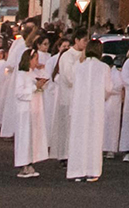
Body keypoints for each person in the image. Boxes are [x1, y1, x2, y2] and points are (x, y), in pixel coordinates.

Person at [65, 35, 119, 182]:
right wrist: (104, 96)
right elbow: (108, 88)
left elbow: (71, 81)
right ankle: (92, 170)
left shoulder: (78, 66)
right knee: (94, 138)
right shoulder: (104, 68)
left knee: (79, 138)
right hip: (95, 108)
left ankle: (77, 171)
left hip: (79, 108)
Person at [10, 48, 48, 178]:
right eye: (35, 59)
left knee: (33, 137)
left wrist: (41, 75)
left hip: (34, 109)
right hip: (24, 111)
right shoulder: (21, 74)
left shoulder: (33, 73)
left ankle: (30, 162)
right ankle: (23, 164)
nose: (37, 62)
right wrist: (34, 87)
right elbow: (19, 92)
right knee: (24, 137)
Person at [49, 31, 84, 160]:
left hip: (80, 99)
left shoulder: (85, 56)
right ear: (77, 40)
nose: (86, 44)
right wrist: (80, 63)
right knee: (66, 128)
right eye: (84, 40)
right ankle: (64, 155)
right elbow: (69, 77)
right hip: (68, 98)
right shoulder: (67, 56)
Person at [0, 24, 31, 138]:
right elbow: (11, 63)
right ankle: (12, 130)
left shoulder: (19, 44)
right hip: (18, 75)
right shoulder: (20, 45)